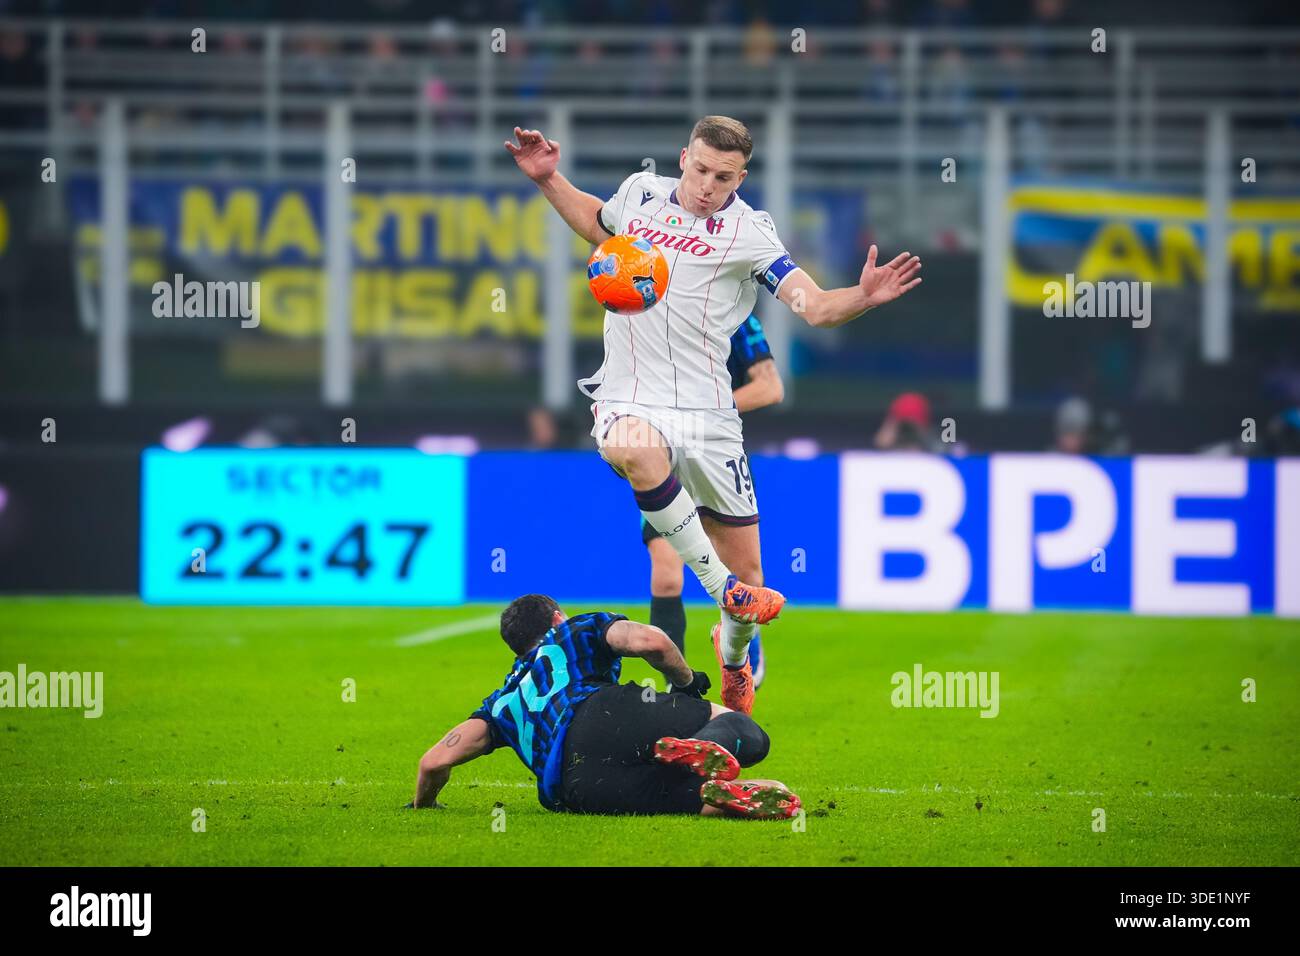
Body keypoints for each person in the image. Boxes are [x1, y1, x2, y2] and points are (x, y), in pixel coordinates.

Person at [506, 116, 922, 713]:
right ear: (683, 158)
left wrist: (861, 296)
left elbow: (816, 307)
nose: (708, 185)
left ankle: (732, 657)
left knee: (752, 572)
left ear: (741, 177)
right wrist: (548, 179)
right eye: (700, 169)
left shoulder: (750, 234)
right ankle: (720, 590)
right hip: (630, 394)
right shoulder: (640, 195)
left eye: (723, 177)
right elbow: (597, 224)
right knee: (630, 448)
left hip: (709, 416)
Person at [409, 594, 800, 819]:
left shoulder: (501, 704)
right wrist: (687, 681)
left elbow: (432, 763)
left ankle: (733, 790)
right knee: (747, 733)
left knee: (690, 799)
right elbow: (652, 642)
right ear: (557, 617)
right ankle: (710, 743)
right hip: (601, 712)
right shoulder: (570, 631)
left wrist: (424, 805)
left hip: (575, 788)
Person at [643, 314, 783, 690]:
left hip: (715, 453)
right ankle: (676, 683)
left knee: (746, 575)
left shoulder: (736, 316)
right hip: (667, 454)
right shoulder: (651, 308)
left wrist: (702, 415)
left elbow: (769, 388)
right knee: (666, 568)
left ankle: (741, 646)